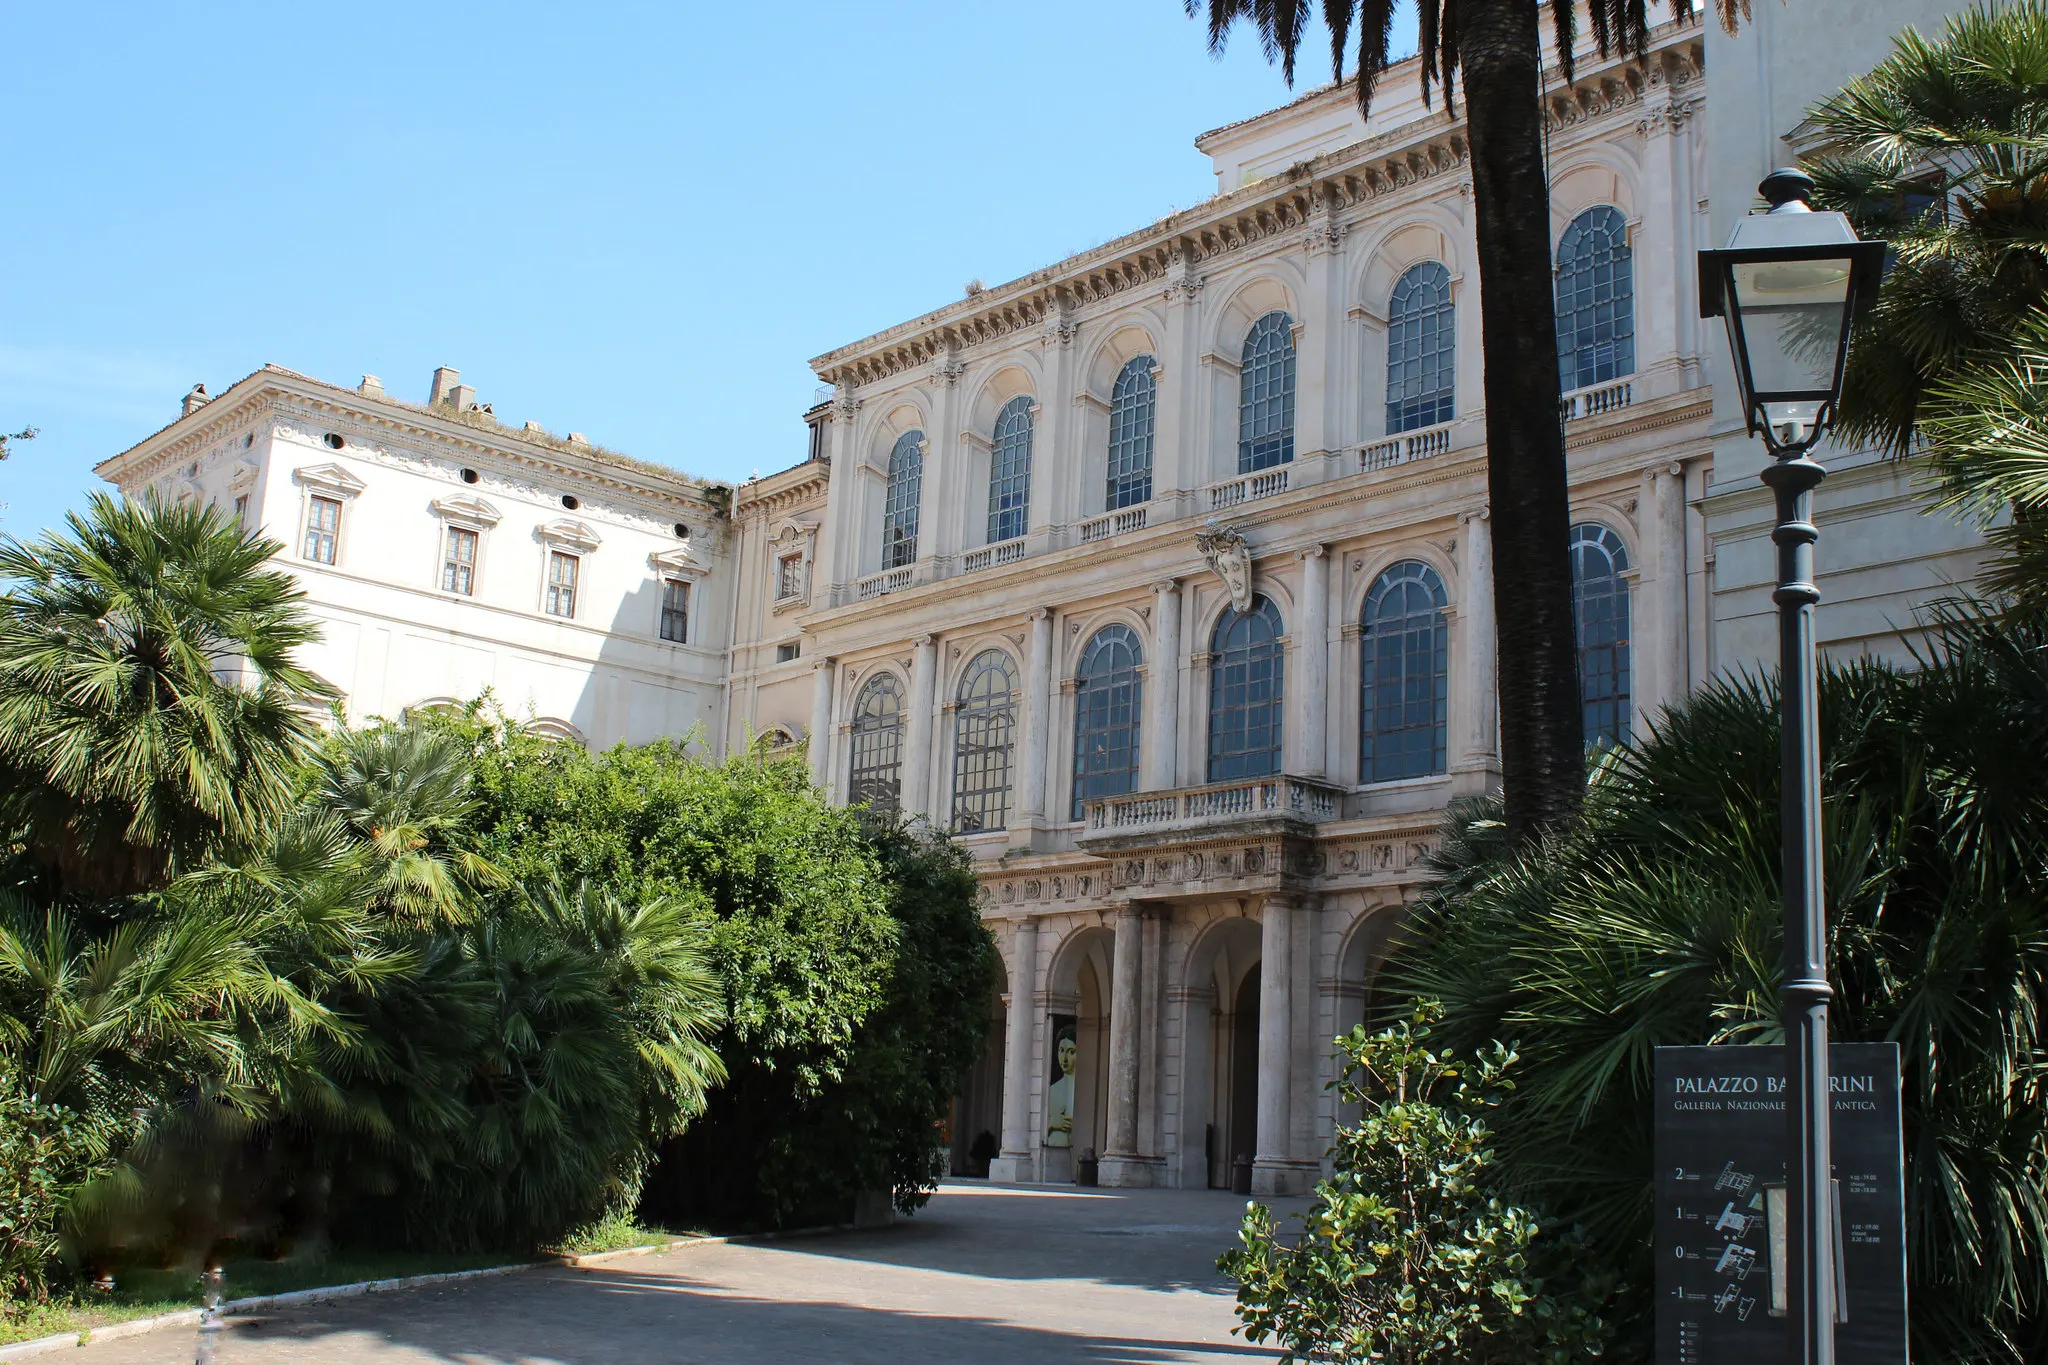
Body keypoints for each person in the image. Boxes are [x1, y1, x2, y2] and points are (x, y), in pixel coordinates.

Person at [1046, 1032, 1077, 1147]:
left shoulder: (1085, 1090)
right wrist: (1051, 1123)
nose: (1064, 1059)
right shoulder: (1052, 1090)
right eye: (1061, 1051)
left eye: (1071, 1052)